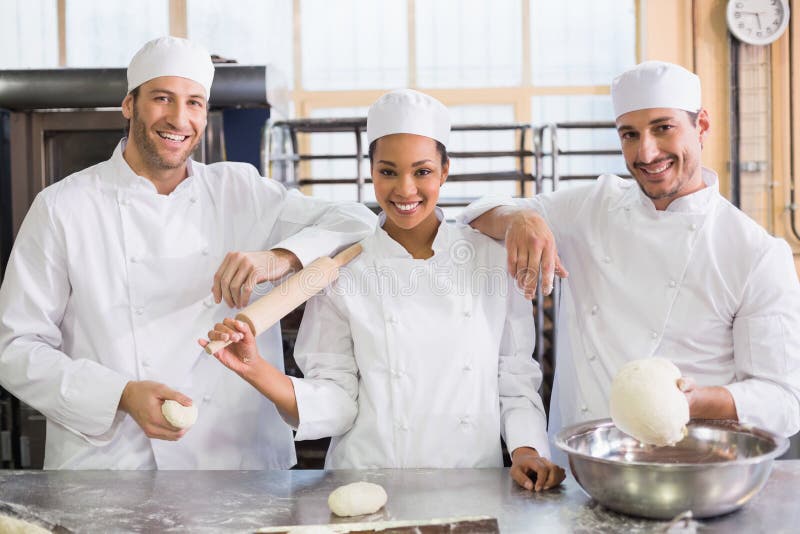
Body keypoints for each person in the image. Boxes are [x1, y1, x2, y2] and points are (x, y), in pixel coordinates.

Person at [0, 36, 375, 469]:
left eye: (194, 102)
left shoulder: (241, 190)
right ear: (129, 105)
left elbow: (358, 222)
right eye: (162, 98)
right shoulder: (63, 207)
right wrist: (120, 395)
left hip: (237, 461)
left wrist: (281, 257)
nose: (180, 118)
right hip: (116, 465)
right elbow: (15, 347)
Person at [202, 89, 566, 491]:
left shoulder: (491, 259)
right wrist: (257, 370)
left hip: (469, 483)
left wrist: (528, 451)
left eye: (422, 171)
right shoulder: (342, 268)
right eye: (388, 172)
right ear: (371, 171)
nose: (405, 190)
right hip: (366, 484)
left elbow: (513, 379)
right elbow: (338, 399)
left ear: (445, 171)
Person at [460, 61, 800, 455]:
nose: (646, 152)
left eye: (663, 128)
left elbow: (783, 400)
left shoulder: (755, 252)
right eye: (630, 134)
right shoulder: (589, 207)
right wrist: (519, 217)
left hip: (690, 470)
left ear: (702, 125)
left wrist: (690, 402)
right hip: (578, 472)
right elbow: (476, 212)